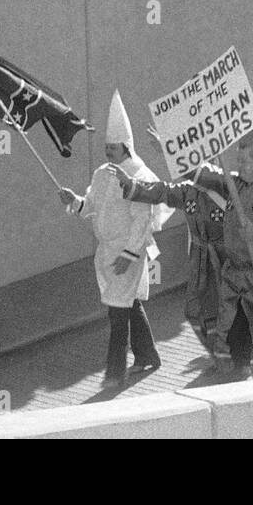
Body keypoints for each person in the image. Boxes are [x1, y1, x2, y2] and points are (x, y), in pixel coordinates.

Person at [116, 141, 253, 378]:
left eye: (244, 161)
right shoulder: (217, 187)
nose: (238, 166)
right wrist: (165, 154)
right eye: (237, 161)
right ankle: (232, 366)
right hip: (228, 270)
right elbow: (168, 189)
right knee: (221, 320)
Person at [58, 92, 169, 386]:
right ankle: (147, 355)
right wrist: (76, 201)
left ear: (126, 148)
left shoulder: (139, 176)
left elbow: (142, 219)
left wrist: (130, 253)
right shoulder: (101, 173)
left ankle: (114, 373)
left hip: (128, 252)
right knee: (127, 303)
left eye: (113, 147)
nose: (108, 151)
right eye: (106, 147)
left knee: (117, 312)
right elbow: (92, 206)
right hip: (108, 251)